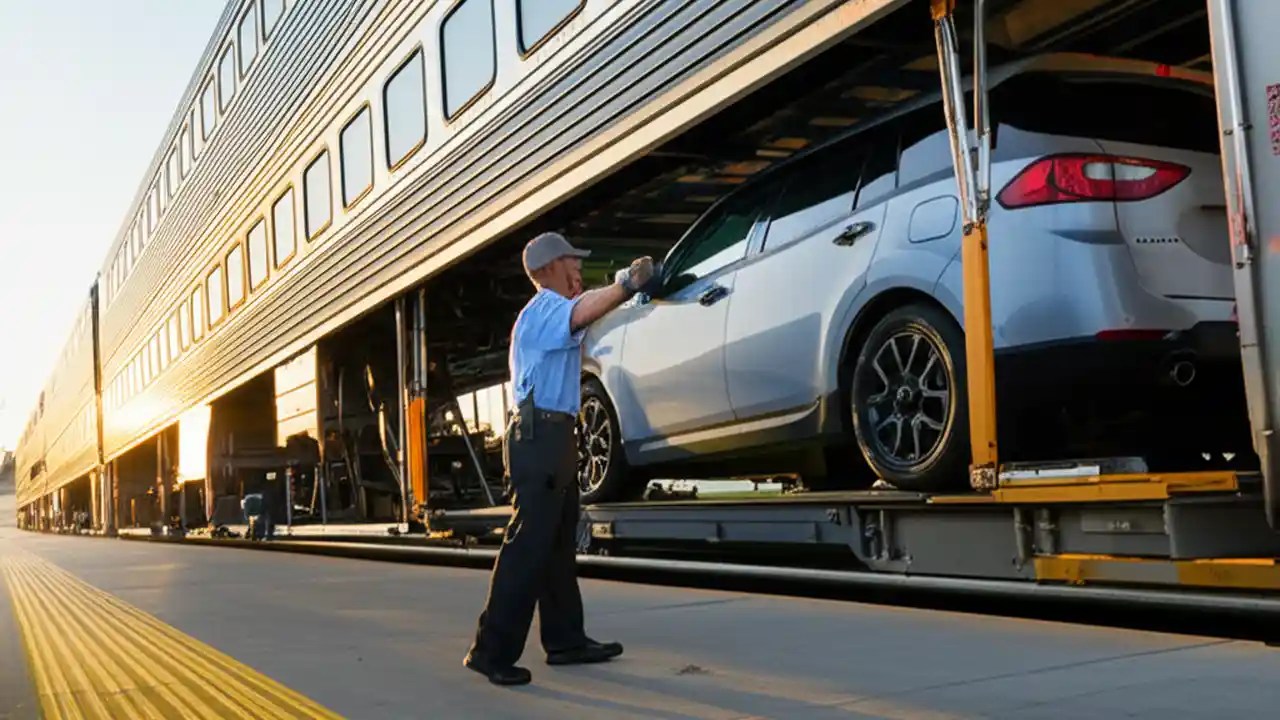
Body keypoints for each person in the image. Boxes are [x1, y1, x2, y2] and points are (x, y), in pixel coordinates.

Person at [464, 231, 654, 686]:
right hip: (540, 438)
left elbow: (591, 309)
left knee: (555, 546)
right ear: (550, 267)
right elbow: (584, 309)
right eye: (574, 262)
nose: (579, 271)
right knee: (528, 547)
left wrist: (629, 294)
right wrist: (628, 282)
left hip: (554, 437)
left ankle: (566, 640)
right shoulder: (544, 309)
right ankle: (490, 651)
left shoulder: (553, 314)